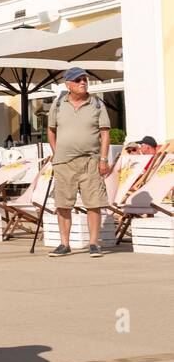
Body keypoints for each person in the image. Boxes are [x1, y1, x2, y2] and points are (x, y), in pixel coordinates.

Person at [46, 67, 112, 258]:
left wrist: (104, 159)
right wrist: (56, 153)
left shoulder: (97, 104)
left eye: (85, 79)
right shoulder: (58, 104)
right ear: (68, 84)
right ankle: (64, 244)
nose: (83, 82)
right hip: (64, 163)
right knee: (63, 204)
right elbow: (51, 130)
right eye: (78, 80)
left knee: (94, 203)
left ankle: (94, 243)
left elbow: (104, 133)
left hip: (90, 161)